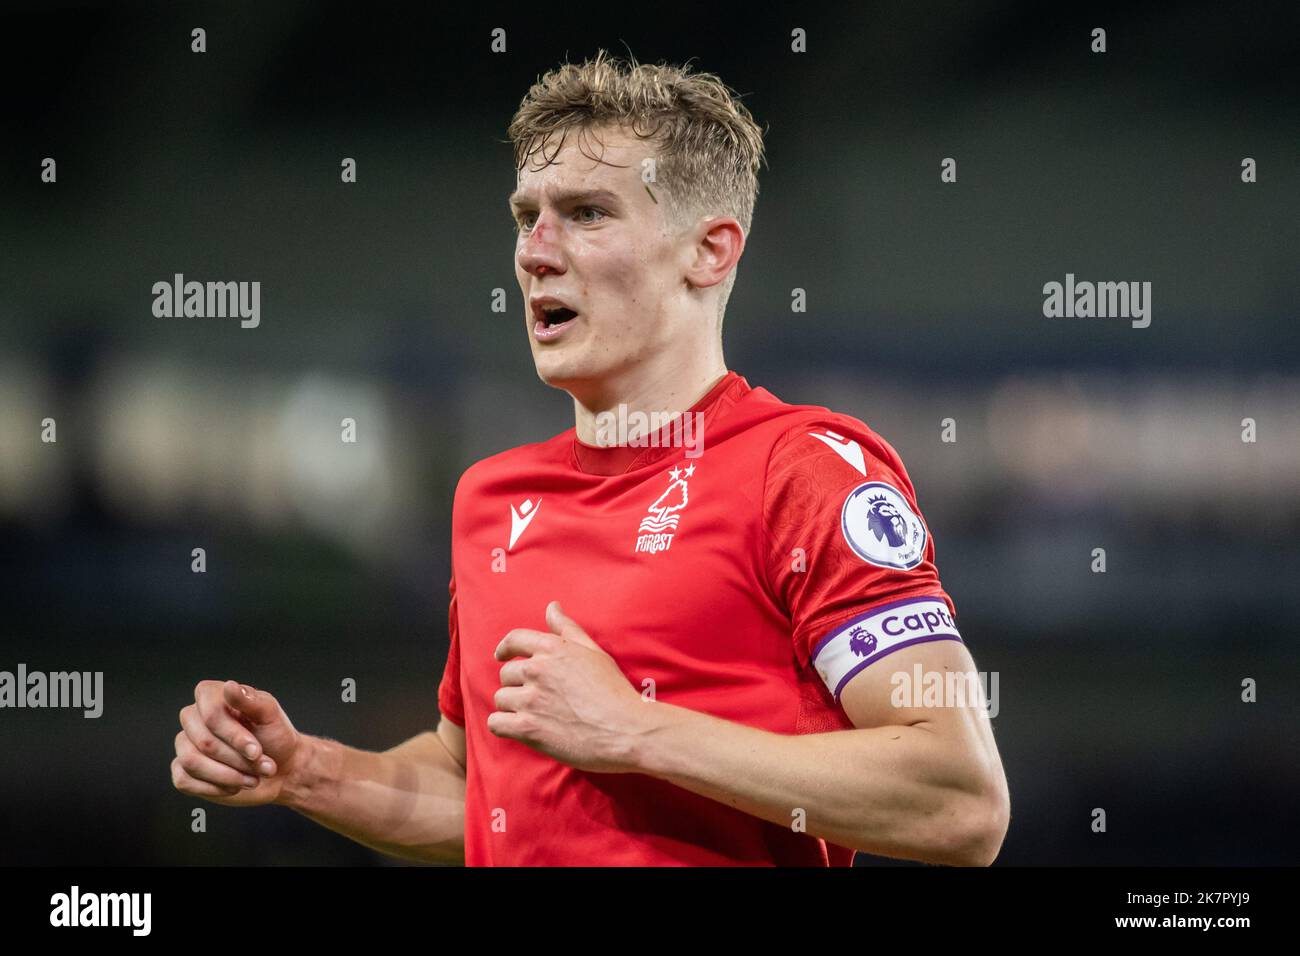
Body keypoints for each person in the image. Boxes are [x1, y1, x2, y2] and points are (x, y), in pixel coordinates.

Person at [171, 51, 1010, 866]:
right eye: (524, 216)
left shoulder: (802, 470)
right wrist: (306, 773)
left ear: (708, 251)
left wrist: (637, 731)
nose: (535, 252)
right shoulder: (492, 498)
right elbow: (484, 789)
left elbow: (960, 800)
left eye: (587, 213)